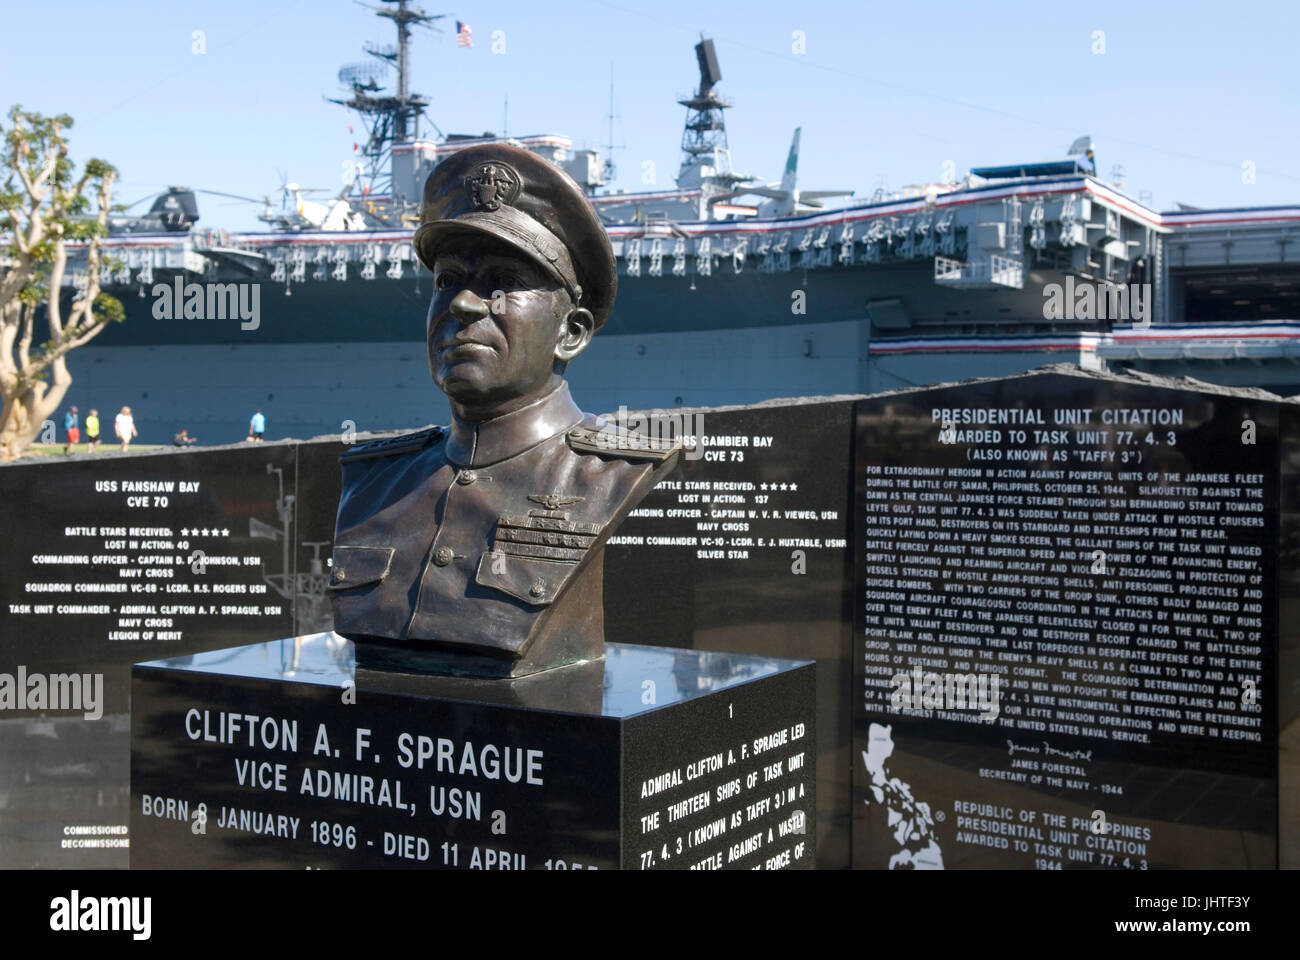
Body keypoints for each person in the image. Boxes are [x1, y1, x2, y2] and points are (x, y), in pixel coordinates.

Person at [329, 144, 681, 678]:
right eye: (446, 280)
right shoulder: (372, 483)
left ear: (572, 332)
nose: (462, 304)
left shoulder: (612, 475)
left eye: (503, 282)